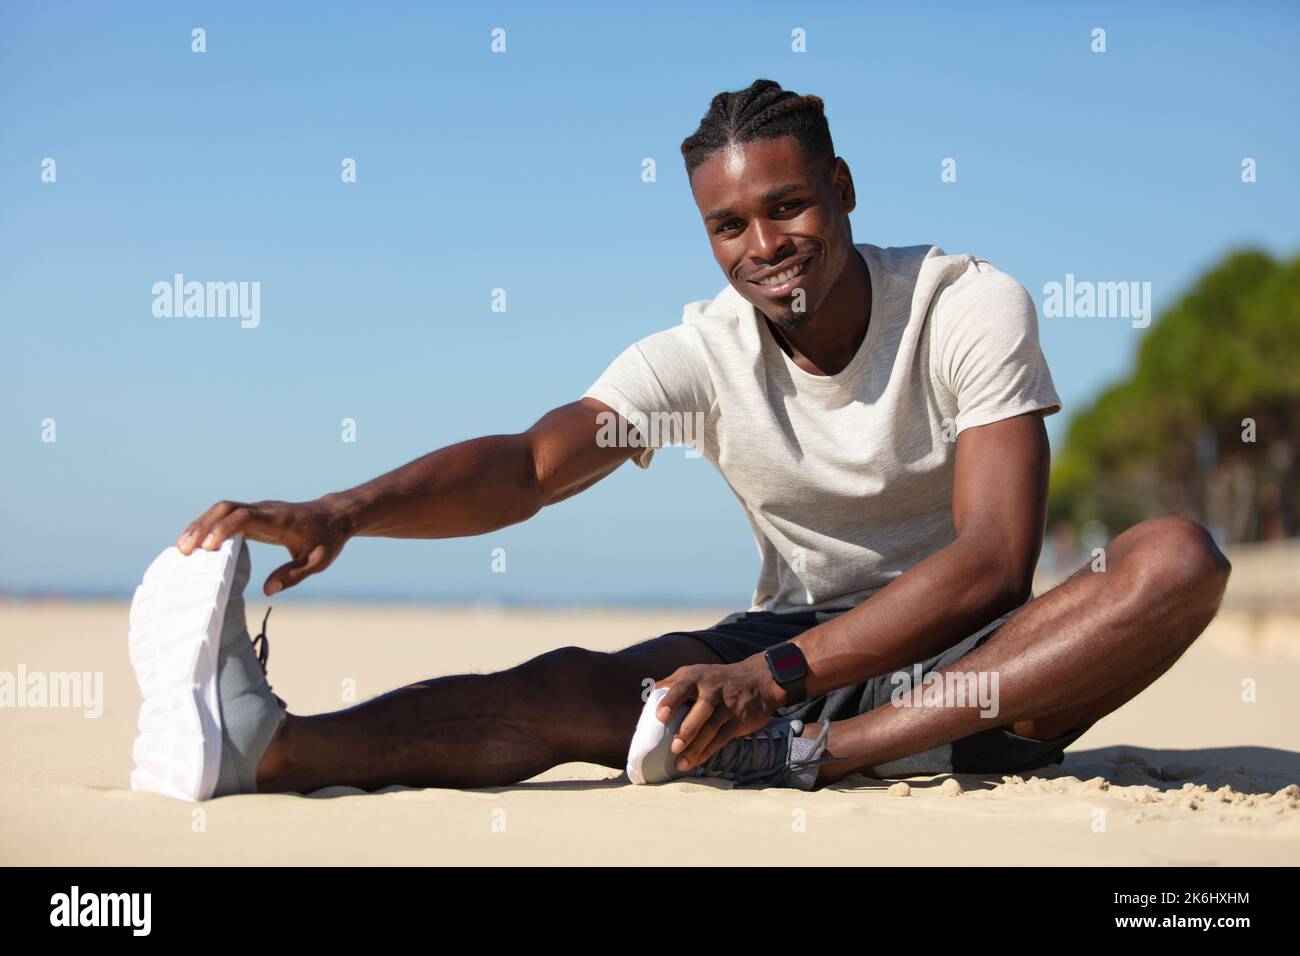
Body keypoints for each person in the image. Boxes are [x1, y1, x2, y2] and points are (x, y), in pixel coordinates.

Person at [128, 79, 1230, 801]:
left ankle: (819, 755)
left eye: (788, 206)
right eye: (728, 225)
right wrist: (346, 510)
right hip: (787, 644)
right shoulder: (704, 356)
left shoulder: (964, 304)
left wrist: (772, 688)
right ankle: (272, 747)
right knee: (570, 684)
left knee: (1175, 557)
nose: (765, 246)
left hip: (974, 662)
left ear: (842, 187)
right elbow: (530, 465)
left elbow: (992, 558)